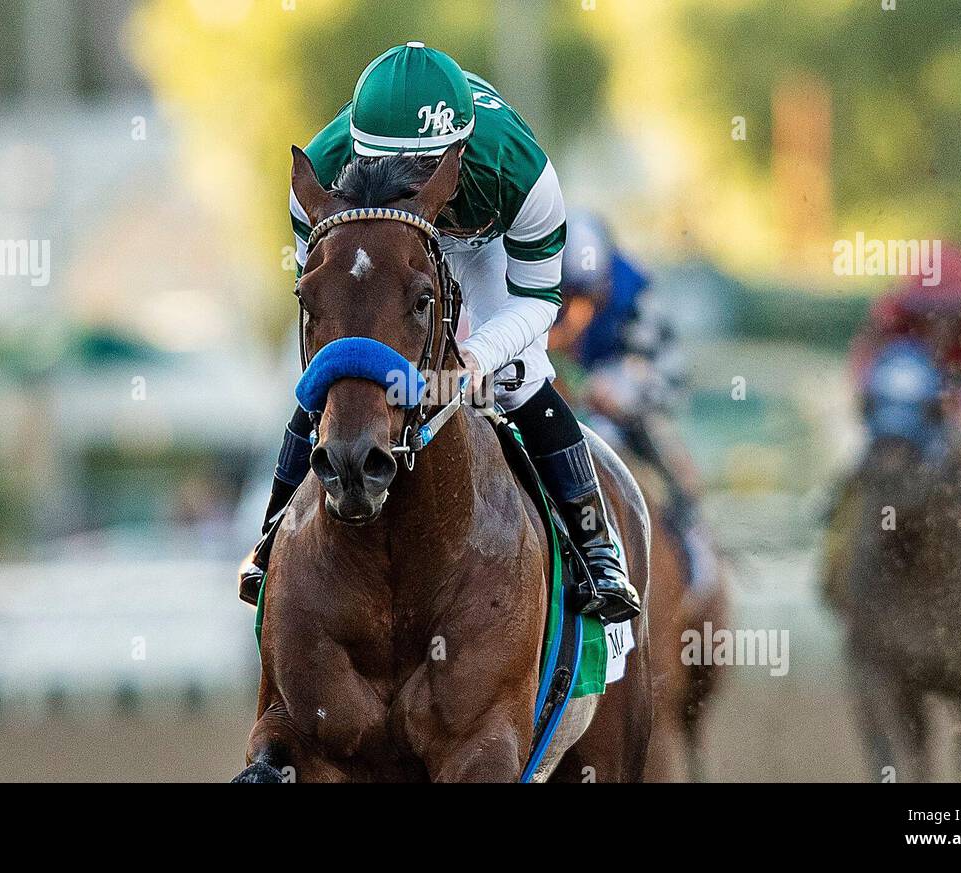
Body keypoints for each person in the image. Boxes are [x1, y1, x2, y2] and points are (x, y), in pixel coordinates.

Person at [238, 43, 641, 623]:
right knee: (336, 375)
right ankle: (274, 531)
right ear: (357, 149)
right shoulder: (319, 175)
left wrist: (476, 357)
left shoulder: (520, 170)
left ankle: (596, 547)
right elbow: (325, 306)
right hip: (379, 243)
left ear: (456, 156)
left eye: (424, 173)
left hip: (485, 249)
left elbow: (539, 299)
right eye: (387, 168)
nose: (409, 184)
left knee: (520, 379)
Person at [552, 212, 717, 595]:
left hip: (625, 414)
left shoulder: (638, 298)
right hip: (556, 402)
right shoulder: (531, 281)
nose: (578, 313)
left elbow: (673, 376)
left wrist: (625, 393)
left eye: (588, 297)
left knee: (672, 464)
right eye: (568, 295)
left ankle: (691, 543)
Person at [848, 244, 961, 460]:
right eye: (929, 309)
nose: (940, 321)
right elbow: (863, 357)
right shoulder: (893, 311)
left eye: (950, 310)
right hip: (917, 389)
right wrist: (871, 390)